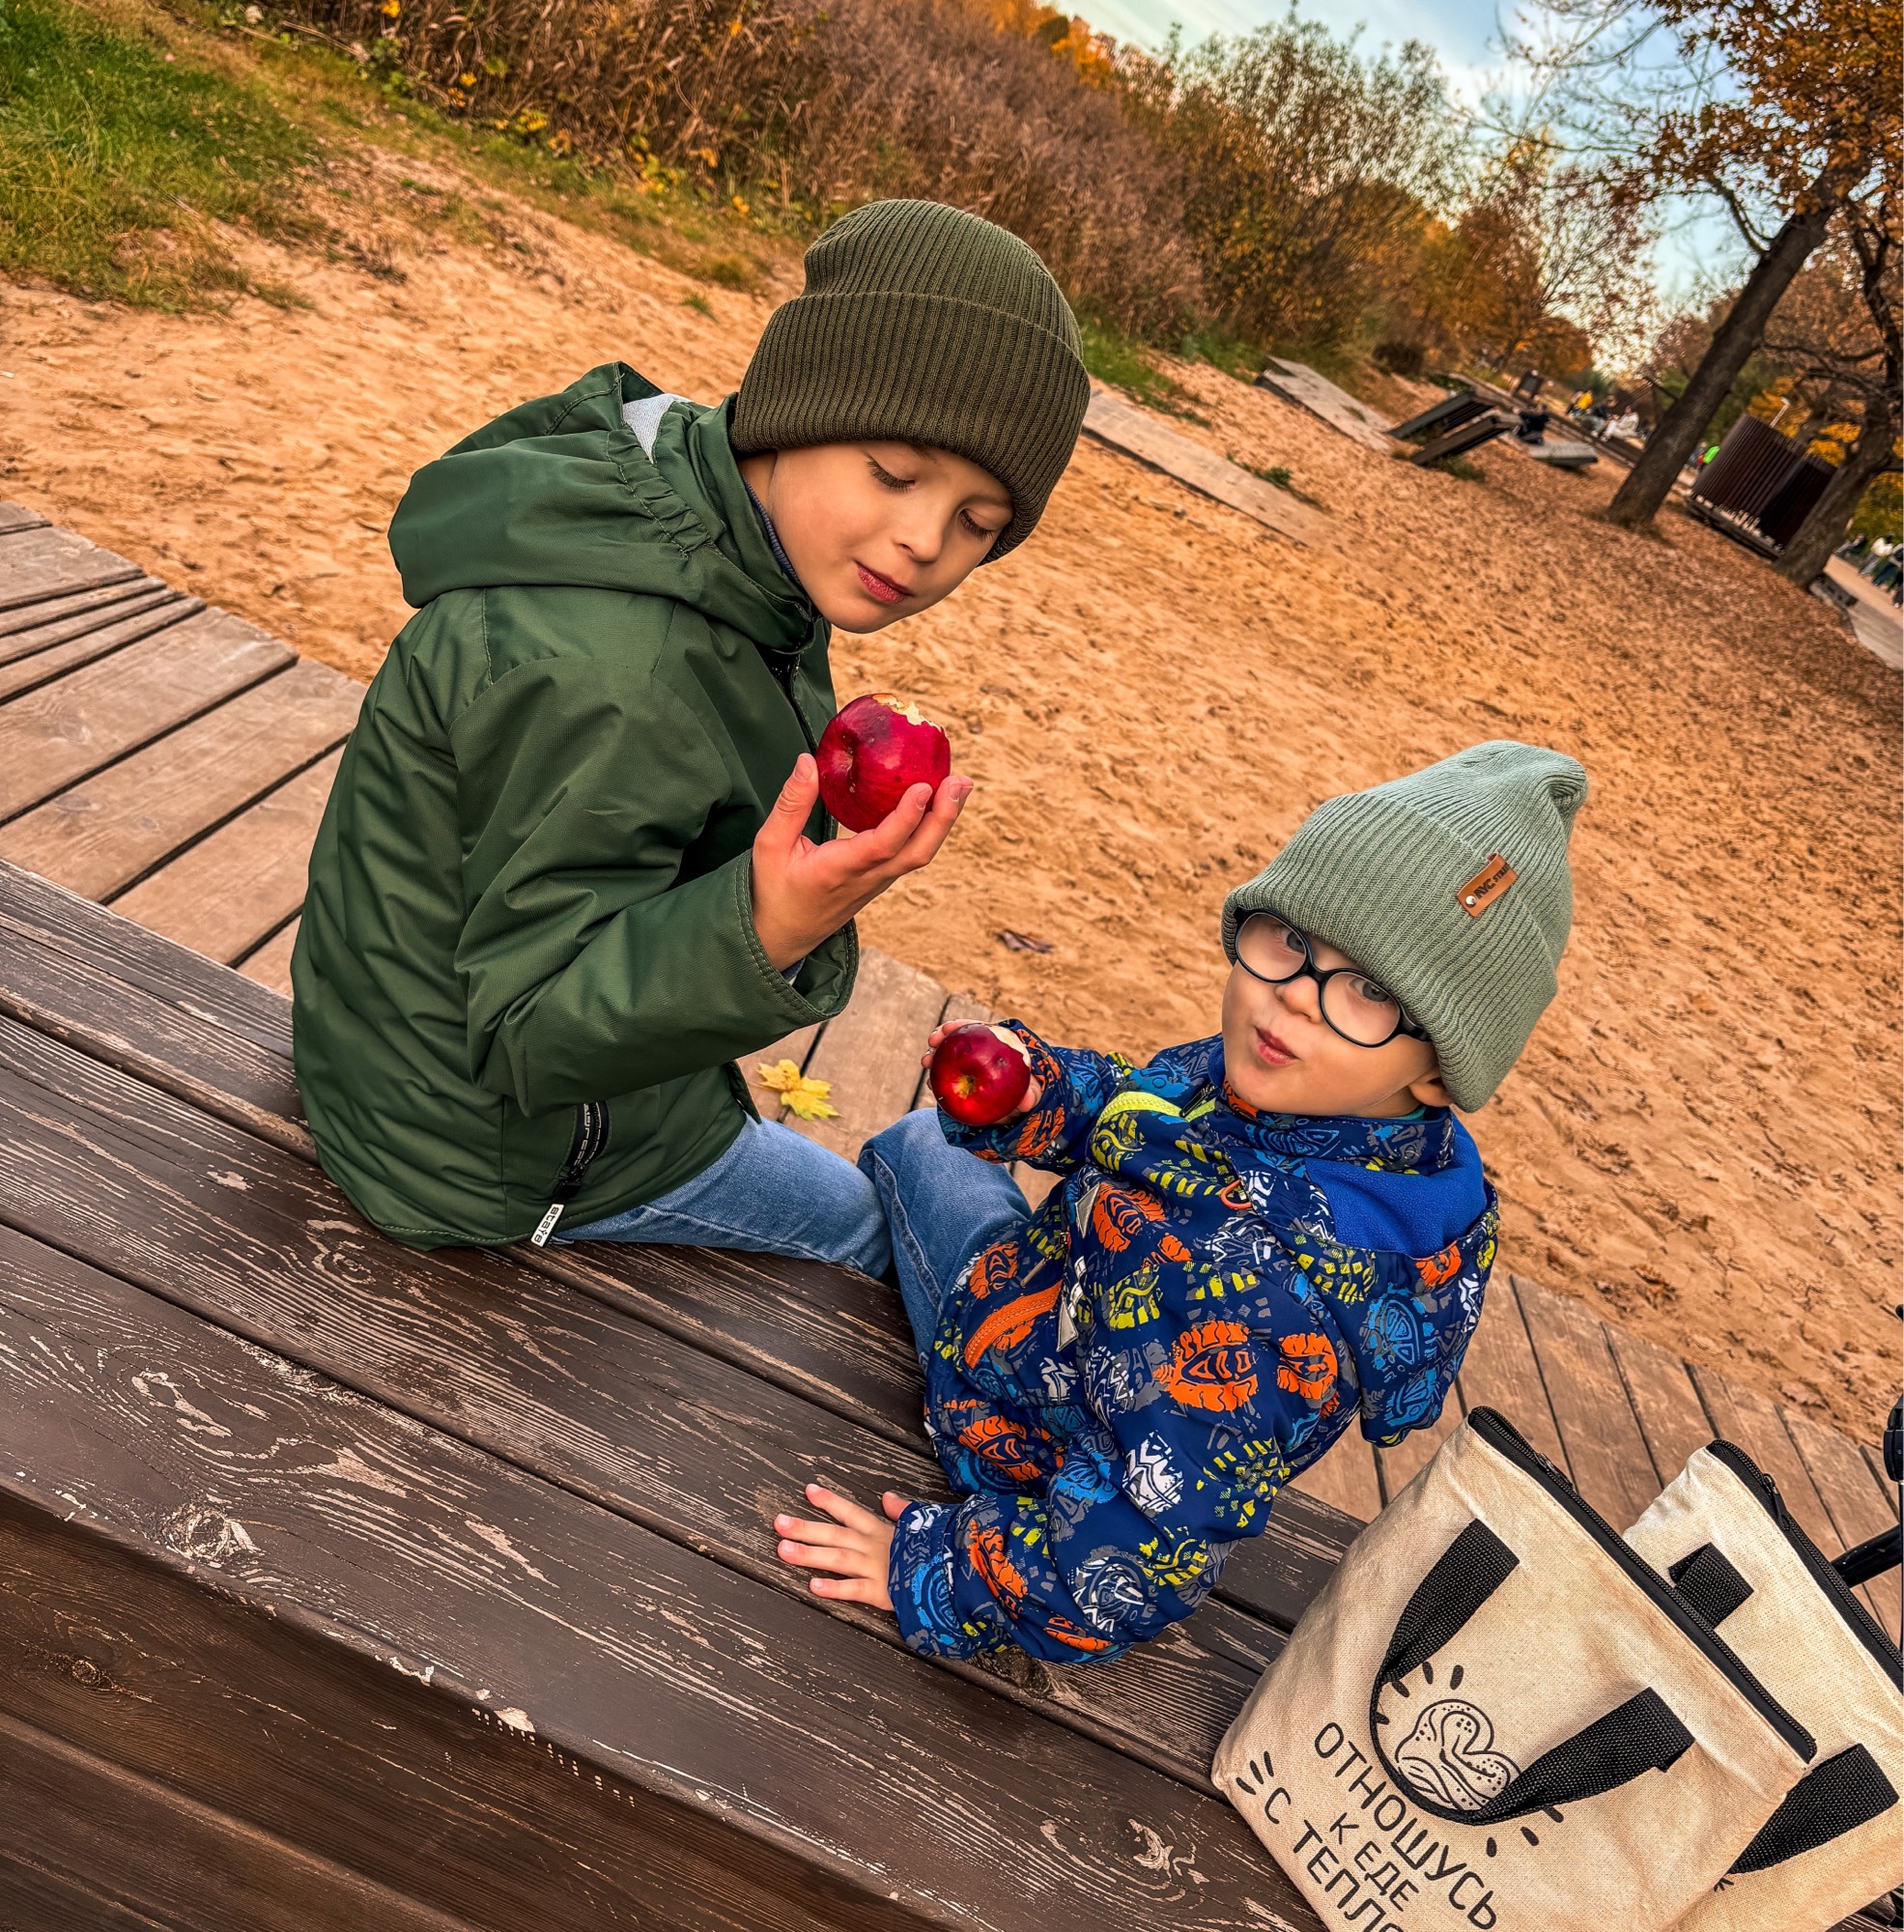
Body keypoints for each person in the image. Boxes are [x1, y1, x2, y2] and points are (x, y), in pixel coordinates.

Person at [292, 200, 1091, 1259]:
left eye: (978, 524)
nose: (921, 540)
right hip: (484, 1159)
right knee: (874, 1234)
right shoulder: (622, 668)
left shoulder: (686, 510)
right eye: (895, 474)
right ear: (801, 403)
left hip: (385, 1050)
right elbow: (529, 1028)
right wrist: (770, 927)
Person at [772, 743, 1588, 1663]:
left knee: (913, 1150)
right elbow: (1147, 1118)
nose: (1291, 1003)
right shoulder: (1325, 1108)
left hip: (1021, 1429)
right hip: (1067, 1323)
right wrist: (1038, 1094)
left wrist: (932, 1570)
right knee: (933, 1142)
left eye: (1368, 991)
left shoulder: (1264, 1312)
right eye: (1292, 941)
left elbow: (1140, 1558)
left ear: (1442, 1069)